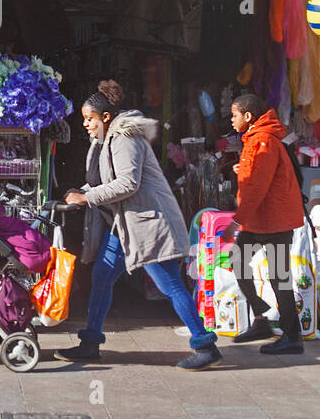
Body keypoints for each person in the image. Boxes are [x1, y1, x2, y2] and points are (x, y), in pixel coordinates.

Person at [55, 80, 222, 370]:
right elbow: (101, 181)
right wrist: (78, 193)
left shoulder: (124, 138)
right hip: (123, 225)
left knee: (169, 284)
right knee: (102, 277)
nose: (85, 124)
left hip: (148, 224)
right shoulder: (102, 141)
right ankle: (90, 343)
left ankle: (205, 346)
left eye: (89, 119)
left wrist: (87, 197)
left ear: (106, 117)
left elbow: (127, 183)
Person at [224, 93, 306, 355]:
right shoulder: (256, 139)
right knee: (238, 261)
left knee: (280, 278)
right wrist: (243, 170)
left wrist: (236, 221)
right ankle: (261, 320)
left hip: (275, 221)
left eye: (234, 115)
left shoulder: (262, 141)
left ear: (248, 117)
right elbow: (258, 176)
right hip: (260, 220)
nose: (231, 119)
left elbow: (257, 187)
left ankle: (292, 336)